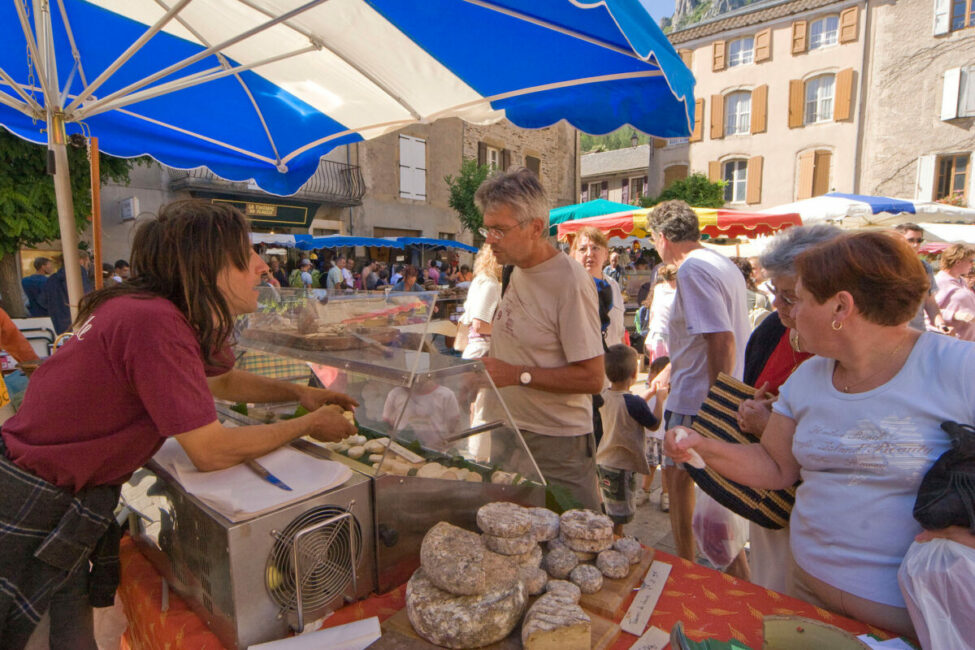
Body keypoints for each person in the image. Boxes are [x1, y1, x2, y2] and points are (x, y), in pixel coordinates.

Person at [0, 200, 358, 648]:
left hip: (56, 494)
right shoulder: (152, 321)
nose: (262, 267)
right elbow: (209, 452)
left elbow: (220, 379)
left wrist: (299, 393)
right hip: (30, 506)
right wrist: (305, 425)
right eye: (245, 254)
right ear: (207, 264)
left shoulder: (148, 311)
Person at [665, 230, 973, 638]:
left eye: (799, 299)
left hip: (915, 622)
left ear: (841, 307)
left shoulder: (958, 368)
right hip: (805, 598)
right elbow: (776, 467)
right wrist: (700, 446)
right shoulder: (808, 376)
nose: (783, 313)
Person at [475, 168, 604, 511]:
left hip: (555, 445)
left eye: (499, 230)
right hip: (509, 431)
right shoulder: (515, 270)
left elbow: (593, 378)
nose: (490, 240)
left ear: (535, 227)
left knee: (574, 544)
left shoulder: (569, 282)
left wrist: (516, 375)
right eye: (488, 229)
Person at [734, 224, 841, 593]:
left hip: (822, 519)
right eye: (775, 292)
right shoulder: (770, 331)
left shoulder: (849, 351)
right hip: (771, 502)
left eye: (790, 296)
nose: (777, 305)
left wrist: (771, 425)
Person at [647, 200, 751, 576]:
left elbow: (720, 339)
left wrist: (716, 403)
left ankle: (686, 569)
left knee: (683, 486)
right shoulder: (722, 264)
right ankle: (730, 573)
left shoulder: (692, 270)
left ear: (661, 239)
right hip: (708, 391)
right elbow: (709, 336)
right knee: (716, 495)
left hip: (697, 399)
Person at [596, 344, 666, 535]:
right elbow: (654, 424)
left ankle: (611, 535)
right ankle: (616, 539)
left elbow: (628, 404)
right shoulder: (632, 403)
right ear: (635, 373)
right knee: (620, 510)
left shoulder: (604, 396)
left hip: (603, 461)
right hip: (622, 465)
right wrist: (659, 399)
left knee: (610, 505)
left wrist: (650, 393)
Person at [570, 227, 625, 347]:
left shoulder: (613, 286)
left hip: (613, 361)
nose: (589, 254)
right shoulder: (567, 289)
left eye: (595, 248)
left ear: (606, 254)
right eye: (582, 249)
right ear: (573, 255)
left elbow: (619, 332)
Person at [893, 223, 949, 333]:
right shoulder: (885, 266)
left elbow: (930, 302)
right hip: (890, 332)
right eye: (910, 240)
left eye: (919, 241)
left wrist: (941, 324)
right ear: (897, 240)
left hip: (917, 332)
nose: (915, 245)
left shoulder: (924, 267)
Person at [458, 248, 501, 360]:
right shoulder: (489, 283)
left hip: (478, 349)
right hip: (482, 350)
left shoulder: (482, 279)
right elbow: (479, 325)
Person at [40, 250, 95, 334]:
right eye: (88, 263)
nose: (88, 266)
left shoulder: (52, 279)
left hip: (59, 325)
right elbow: (87, 297)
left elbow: (43, 301)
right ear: (81, 261)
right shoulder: (78, 273)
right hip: (80, 324)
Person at [934, 243, 975, 340]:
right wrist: (955, 315)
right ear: (958, 262)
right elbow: (927, 310)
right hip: (951, 341)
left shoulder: (961, 281)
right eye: (971, 261)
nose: (972, 265)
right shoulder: (940, 281)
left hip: (967, 341)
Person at [732, 256, 772, 329]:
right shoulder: (761, 298)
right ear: (750, 274)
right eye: (752, 269)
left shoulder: (717, 298)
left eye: (754, 268)